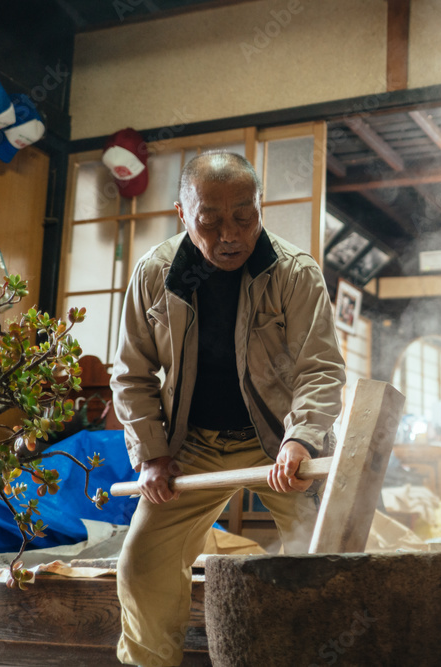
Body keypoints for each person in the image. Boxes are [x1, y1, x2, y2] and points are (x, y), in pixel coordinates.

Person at [110, 152, 346, 667]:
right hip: (191, 447)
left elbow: (321, 370)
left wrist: (302, 439)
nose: (230, 235)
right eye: (209, 222)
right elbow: (131, 375)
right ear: (181, 214)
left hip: (278, 447)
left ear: (261, 207)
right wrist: (151, 455)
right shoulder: (156, 275)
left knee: (327, 563)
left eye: (245, 216)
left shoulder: (294, 274)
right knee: (141, 566)